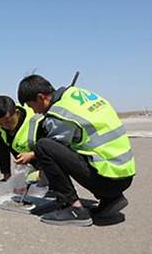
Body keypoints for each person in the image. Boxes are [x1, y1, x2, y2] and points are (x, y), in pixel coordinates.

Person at [17, 74, 136, 226]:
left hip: (108, 179)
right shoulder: (78, 94)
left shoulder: (59, 113)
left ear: (41, 98)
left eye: (31, 106)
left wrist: (35, 159)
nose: (34, 112)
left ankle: (73, 208)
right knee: (82, 146)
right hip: (124, 173)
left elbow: (52, 151)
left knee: (43, 147)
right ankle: (111, 199)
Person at [0, 95, 44, 180]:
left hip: (43, 160)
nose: (5, 126)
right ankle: (6, 176)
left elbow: (53, 147)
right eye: (1, 123)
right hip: (24, 163)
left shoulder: (37, 118)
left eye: (9, 121)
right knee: (0, 137)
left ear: (17, 113)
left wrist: (32, 154)